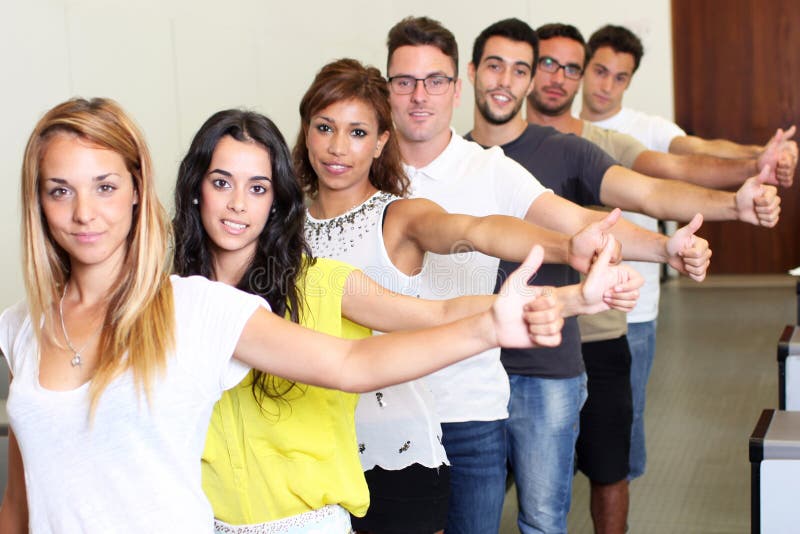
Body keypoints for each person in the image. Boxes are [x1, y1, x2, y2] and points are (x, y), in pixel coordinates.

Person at [0, 97, 566, 534]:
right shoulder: (21, 329)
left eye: (103, 186)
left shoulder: (195, 308)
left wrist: (502, 319)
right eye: (59, 191)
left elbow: (356, 358)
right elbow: (21, 498)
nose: (82, 213)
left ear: (135, 193)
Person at [174, 107, 637, 534]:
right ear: (196, 189)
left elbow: (434, 313)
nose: (238, 204)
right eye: (221, 182)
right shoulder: (168, 300)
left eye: (257, 188)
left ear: (276, 201)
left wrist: (573, 297)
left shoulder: (317, 282)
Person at [383, 16, 712, 534]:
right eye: (404, 81)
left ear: (455, 85)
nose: (420, 95)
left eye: (435, 81)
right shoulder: (365, 166)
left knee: (531, 517)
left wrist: (664, 247)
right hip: (385, 395)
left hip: (472, 400)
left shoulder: (489, 168)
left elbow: (572, 221)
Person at [292, 58, 642, 534]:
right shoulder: (282, 227)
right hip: (307, 451)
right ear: (306, 130)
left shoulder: (401, 217)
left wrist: (565, 247)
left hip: (394, 454)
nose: (337, 147)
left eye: (356, 133)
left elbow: (474, 230)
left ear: (380, 142)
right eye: (324, 127)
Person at [464, 17, 782, 533]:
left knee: (562, 501)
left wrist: (730, 205)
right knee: (472, 510)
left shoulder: (571, 149)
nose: (519, 79)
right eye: (536, 64)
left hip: (562, 354)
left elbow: (651, 188)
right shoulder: (458, 158)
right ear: (472, 74)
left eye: (521, 68)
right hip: (473, 356)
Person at [580, 23, 799, 183]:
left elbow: (700, 148)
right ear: (583, 68)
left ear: (629, 82)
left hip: (636, 245)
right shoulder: (562, 128)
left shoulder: (649, 128)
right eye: (600, 72)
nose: (607, 87)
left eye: (620, 78)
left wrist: (761, 153)